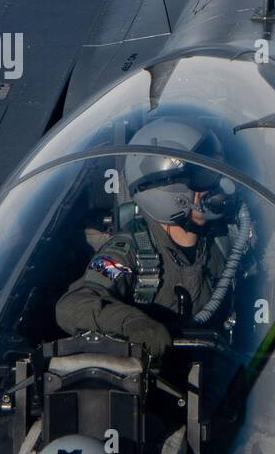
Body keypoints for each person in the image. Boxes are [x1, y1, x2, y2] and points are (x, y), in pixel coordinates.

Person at [56, 118, 243, 357]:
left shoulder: (226, 238)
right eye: (204, 176)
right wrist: (133, 323)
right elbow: (73, 305)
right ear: (168, 188)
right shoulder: (129, 251)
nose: (219, 185)